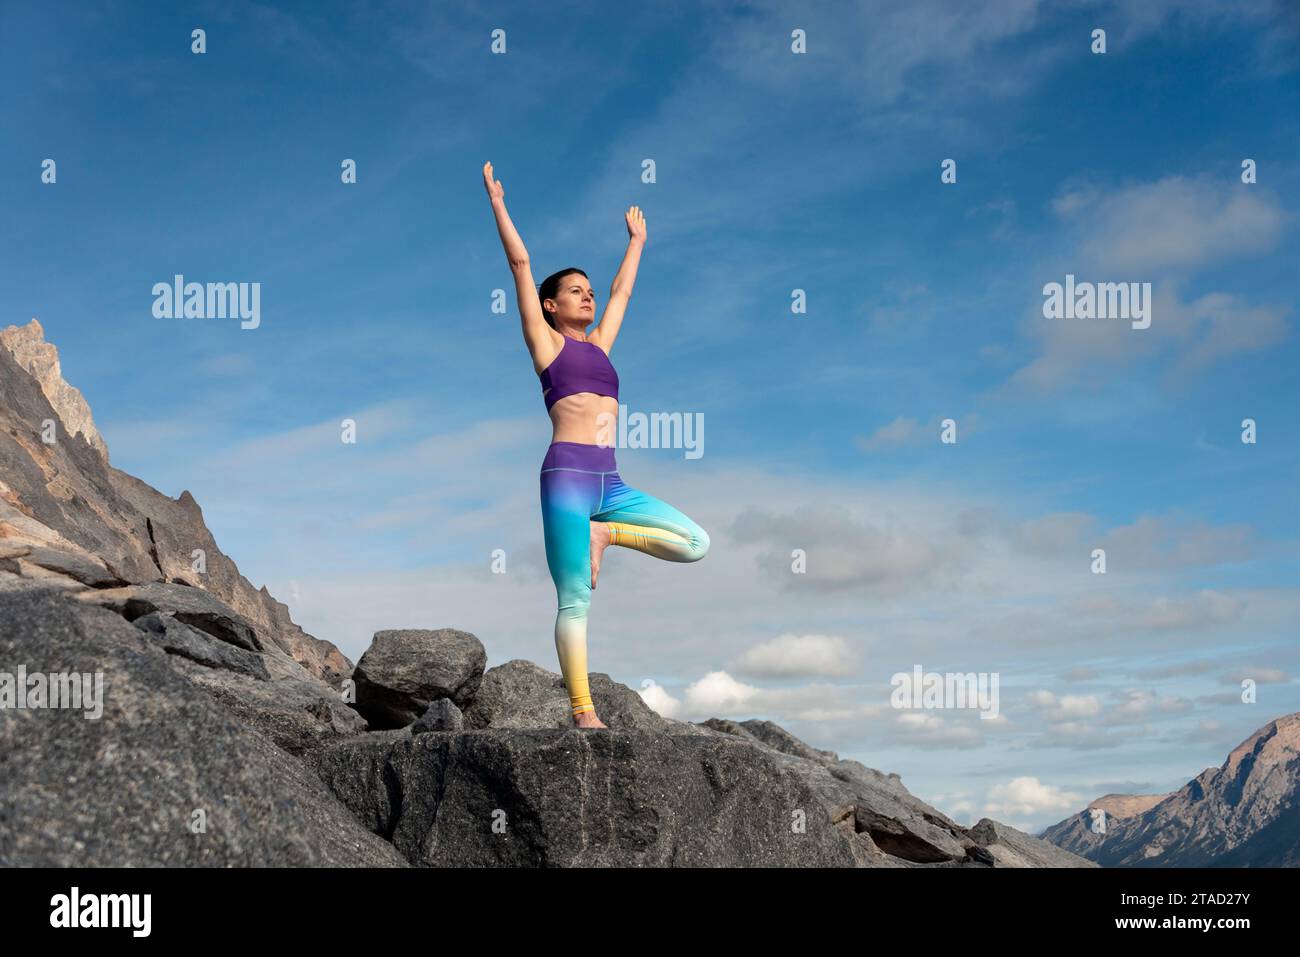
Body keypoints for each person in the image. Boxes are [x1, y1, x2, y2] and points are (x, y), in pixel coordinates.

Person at [482, 161, 710, 729]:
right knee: (574, 599)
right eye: (574, 292)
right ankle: (584, 713)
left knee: (695, 543)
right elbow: (520, 264)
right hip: (567, 478)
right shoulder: (545, 343)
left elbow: (622, 291)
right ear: (550, 305)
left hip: (612, 483)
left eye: (588, 292)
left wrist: (637, 243)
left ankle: (605, 535)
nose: (587, 298)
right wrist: (498, 204)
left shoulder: (602, 345)